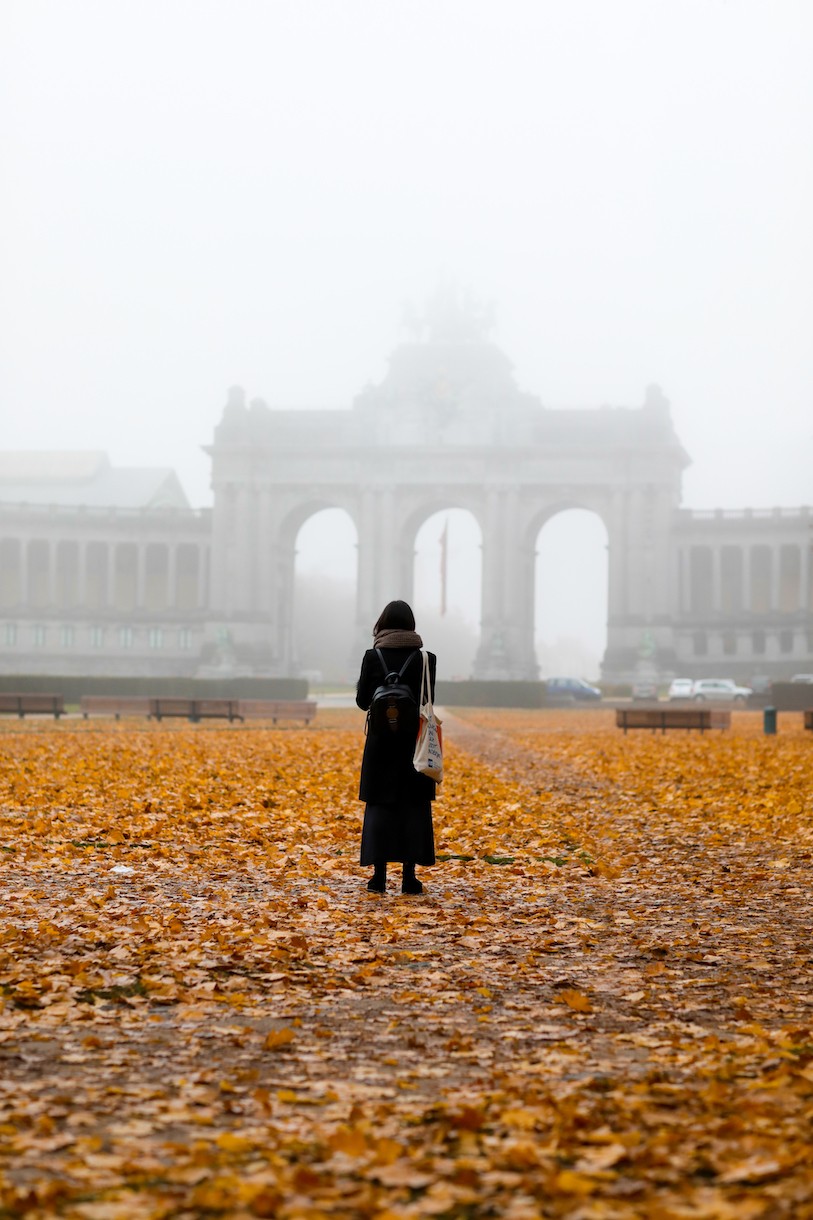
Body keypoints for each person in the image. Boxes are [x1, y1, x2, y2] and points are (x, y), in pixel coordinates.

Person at [356, 600, 437, 894]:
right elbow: (428, 701)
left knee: (379, 805)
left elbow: (363, 701)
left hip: (380, 742)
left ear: (383, 622)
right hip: (413, 743)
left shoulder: (372, 655)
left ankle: (377, 877)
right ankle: (408, 877)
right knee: (413, 807)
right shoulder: (426, 658)